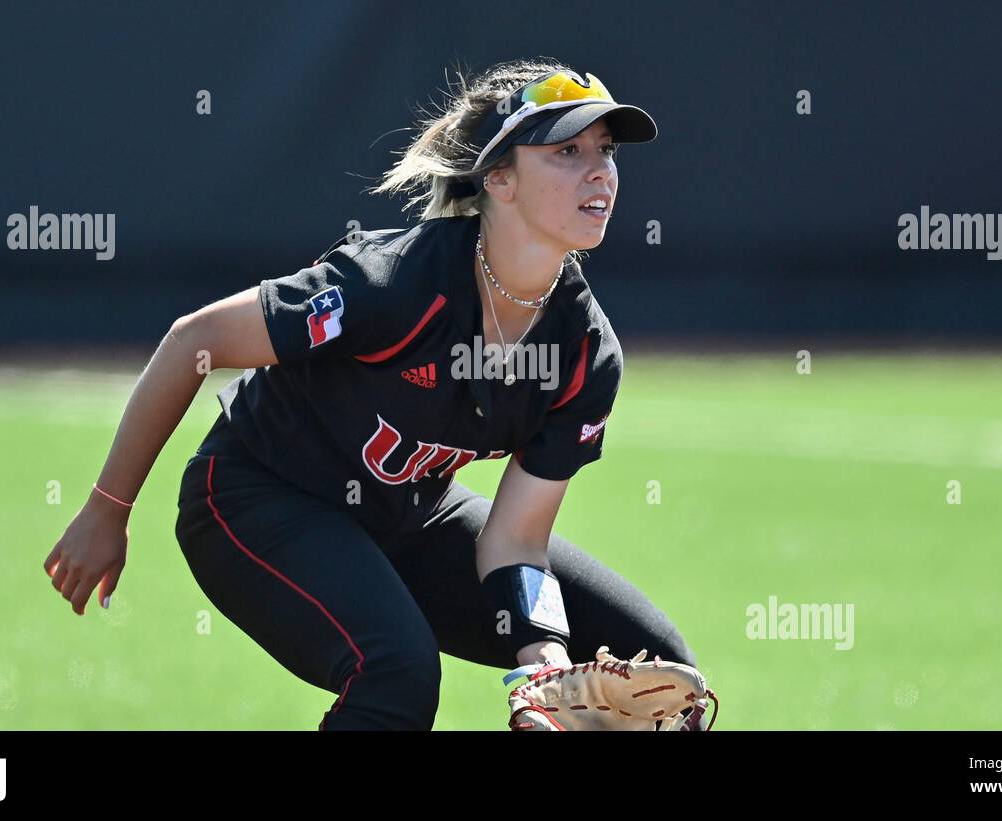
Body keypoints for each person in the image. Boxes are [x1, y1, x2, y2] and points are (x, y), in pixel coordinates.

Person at [43, 57, 698, 730]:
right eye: (567, 150)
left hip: (405, 517)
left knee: (669, 675)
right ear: (499, 178)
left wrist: (545, 661)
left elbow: (516, 540)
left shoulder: (584, 351)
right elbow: (193, 341)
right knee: (397, 672)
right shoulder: (392, 285)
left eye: (606, 150)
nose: (599, 170)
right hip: (254, 497)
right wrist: (107, 508)